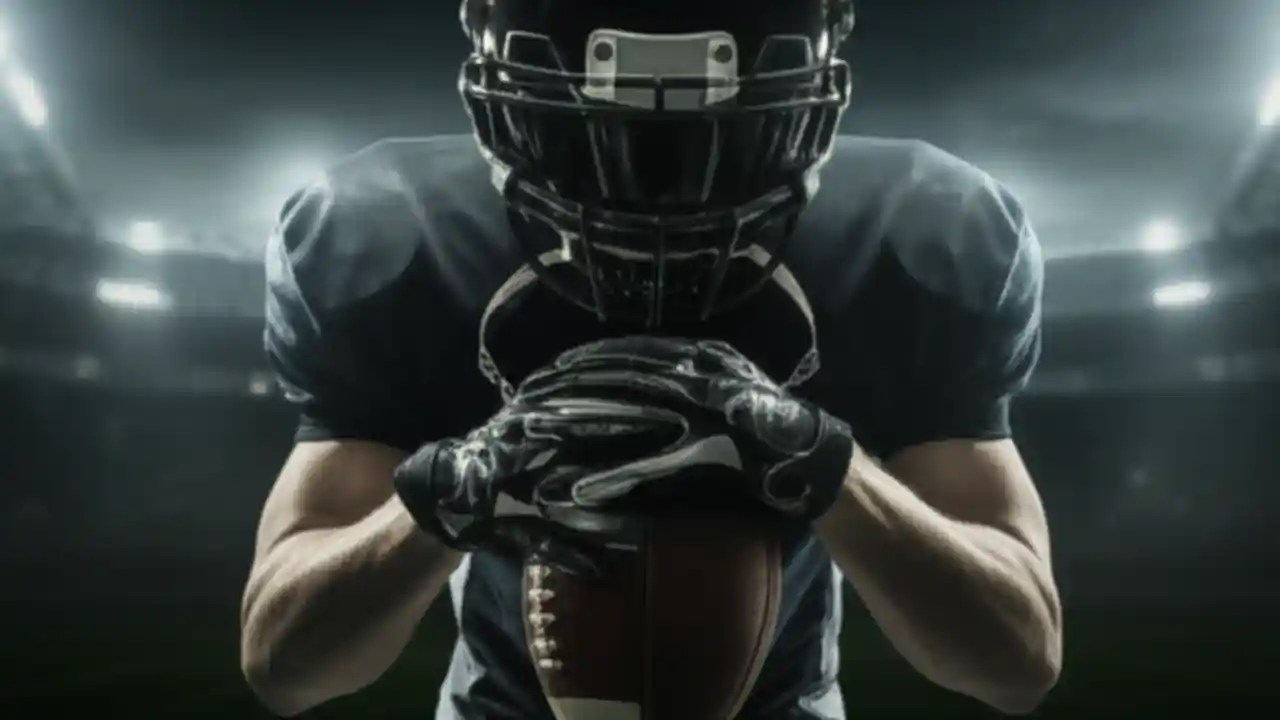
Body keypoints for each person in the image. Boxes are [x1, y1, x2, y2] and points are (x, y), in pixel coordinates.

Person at [239, 1, 1063, 717]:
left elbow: (1017, 659)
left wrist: (829, 467)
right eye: (599, 135)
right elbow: (285, 663)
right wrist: (452, 493)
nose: (656, 177)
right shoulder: (394, 236)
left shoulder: (917, 234)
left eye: (717, 138)